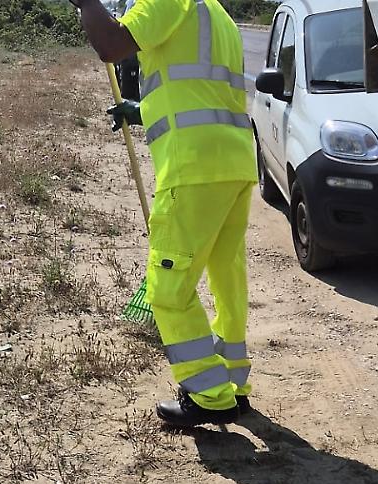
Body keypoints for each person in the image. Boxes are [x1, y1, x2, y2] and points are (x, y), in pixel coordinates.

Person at [71, 0, 258, 427]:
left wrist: (86, 4)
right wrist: (141, 110)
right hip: (232, 162)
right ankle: (233, 385)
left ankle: (208, 395)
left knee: (168, 290)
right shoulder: (218, 15)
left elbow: (110, 44)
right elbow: (197, 87)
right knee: (227, 280)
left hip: (192, 167)